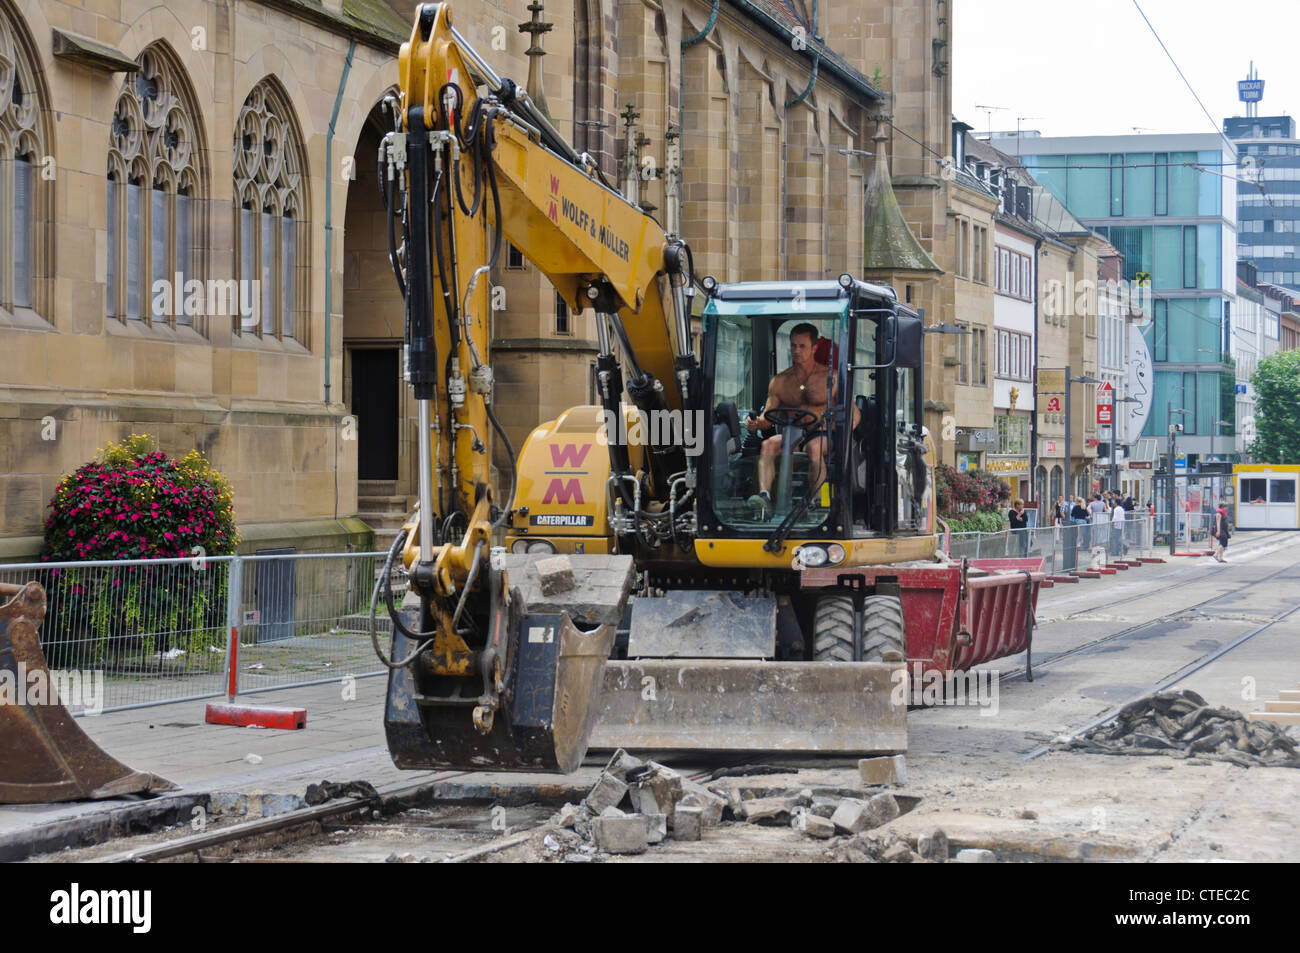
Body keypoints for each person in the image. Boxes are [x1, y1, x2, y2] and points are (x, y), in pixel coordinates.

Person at [745, 323, 852, 512]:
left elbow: (854, 414)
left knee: (814, 448)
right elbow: (767, 418)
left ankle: (818, 503)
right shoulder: (780, 382)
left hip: (823, 434)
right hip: (793, 433)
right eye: (793, 345)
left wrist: (844, 436)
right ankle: (764, 498)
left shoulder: (832, 379)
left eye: (802, 346)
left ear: (814, 348)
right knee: (768, 444)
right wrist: (756, 423)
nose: (796, 350)